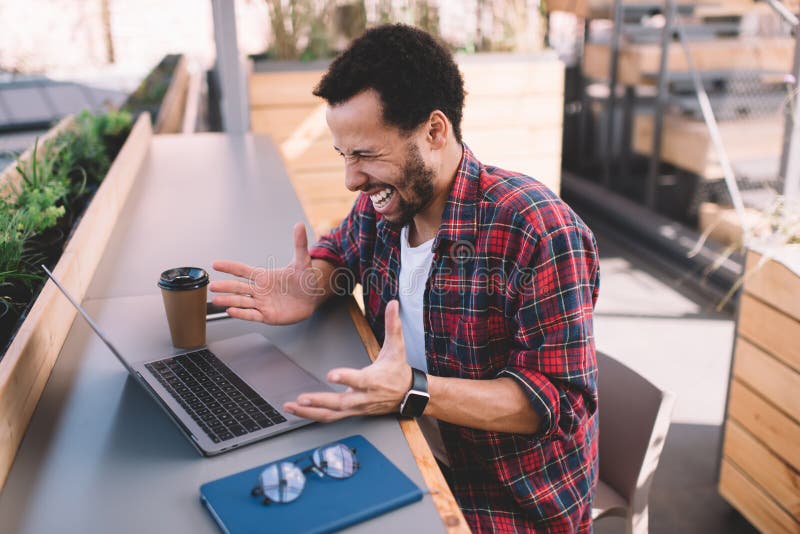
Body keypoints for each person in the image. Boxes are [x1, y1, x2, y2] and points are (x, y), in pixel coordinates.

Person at [210, 24, 600, 533]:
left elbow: (557, 402)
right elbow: (339, 252)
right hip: (406, 444)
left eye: (367, 155)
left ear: (434, 132)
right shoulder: (386, 205)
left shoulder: (538, 231)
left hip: (510, 498)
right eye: (344, 156)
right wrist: (310, 286)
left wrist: (411, 391)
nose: (352, 178)